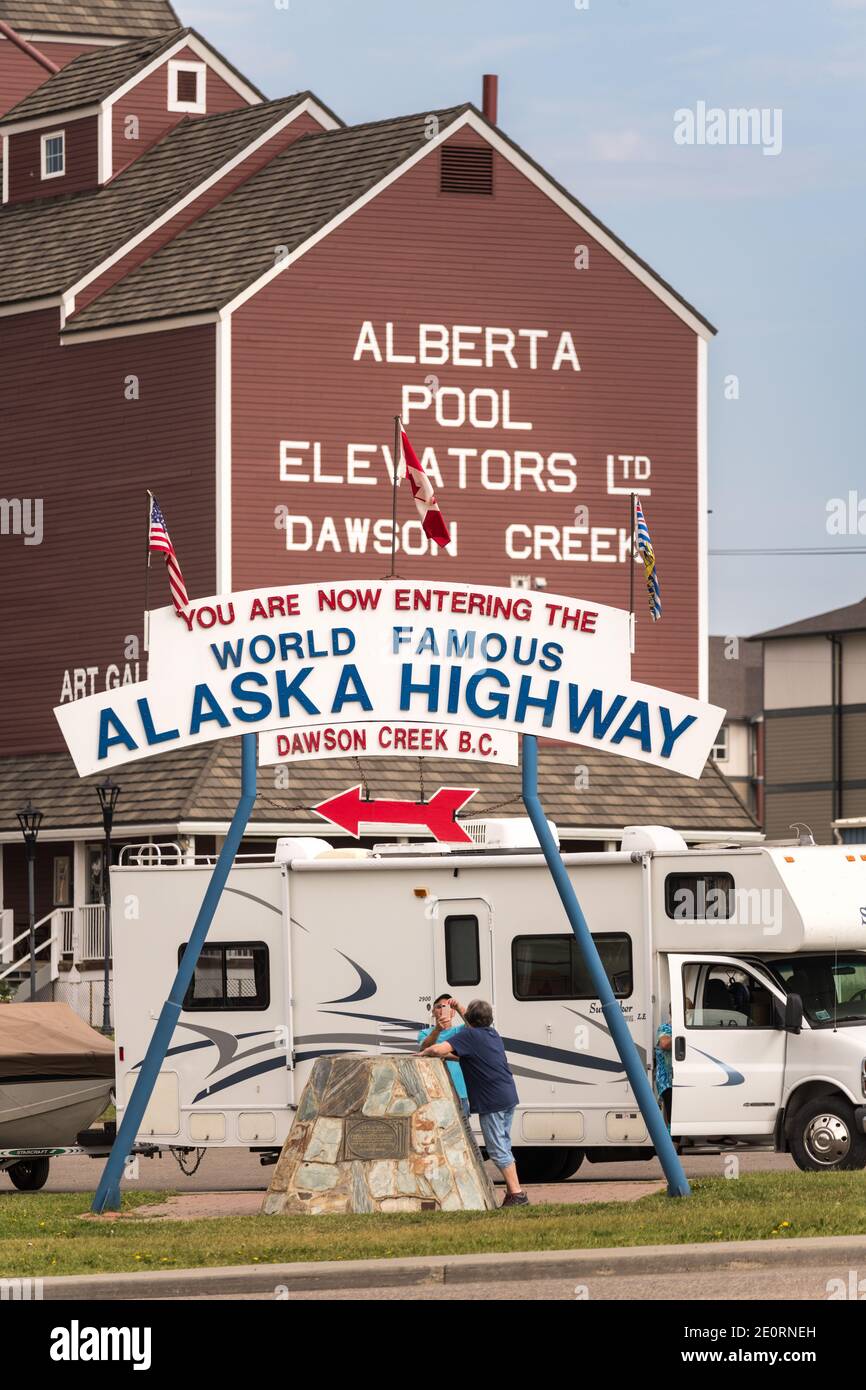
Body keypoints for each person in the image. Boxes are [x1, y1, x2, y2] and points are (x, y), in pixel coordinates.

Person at [423, 998, 528, 1208]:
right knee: (504, 1144)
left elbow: (437, 1050)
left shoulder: (468, 1035)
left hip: (492, 1100)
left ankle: (517, 1194)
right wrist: (459, 1007)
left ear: (469, 1019)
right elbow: (469, 1057)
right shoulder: (491, 1033)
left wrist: (424, 1052)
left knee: (497, 1148)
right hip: (507, 1096)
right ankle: (513, 1192)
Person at [417, 994, 470, 1119]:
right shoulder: (424, 1033)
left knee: (463, 1132)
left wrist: (458, 1007)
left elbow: (474, 1025)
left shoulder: (460, 1031)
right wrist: (437, 1030)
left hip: (459, 1092)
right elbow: (424, 1048)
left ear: (452, 1012)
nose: (442, 1009)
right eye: (438, 1007)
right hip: (434, 1093)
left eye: (446, 1007)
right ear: (433, 1012)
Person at [655, 1017, 673, 1126]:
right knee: (672, 1113)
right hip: (665, 1079)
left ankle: (675, 1141)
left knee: (675, 1112)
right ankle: (671, 1142)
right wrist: (683, 1033)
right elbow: (665, 1044)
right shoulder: (664, 1028)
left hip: (677, 1078)